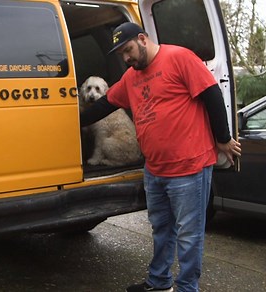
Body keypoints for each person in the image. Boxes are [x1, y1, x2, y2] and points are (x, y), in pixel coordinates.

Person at [80, 23, 241, 292]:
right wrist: (72, 120)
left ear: (143, 39)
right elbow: (106, 104)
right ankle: (159, 282)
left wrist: (223, 137)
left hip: (189, 167)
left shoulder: (178, 58)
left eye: (128, 50)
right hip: (155, 170)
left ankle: (187, 287)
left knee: (189, 236)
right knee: (161, 230)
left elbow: (212, 93)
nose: (127, 58)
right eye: (121, 54)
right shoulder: (131, 77)